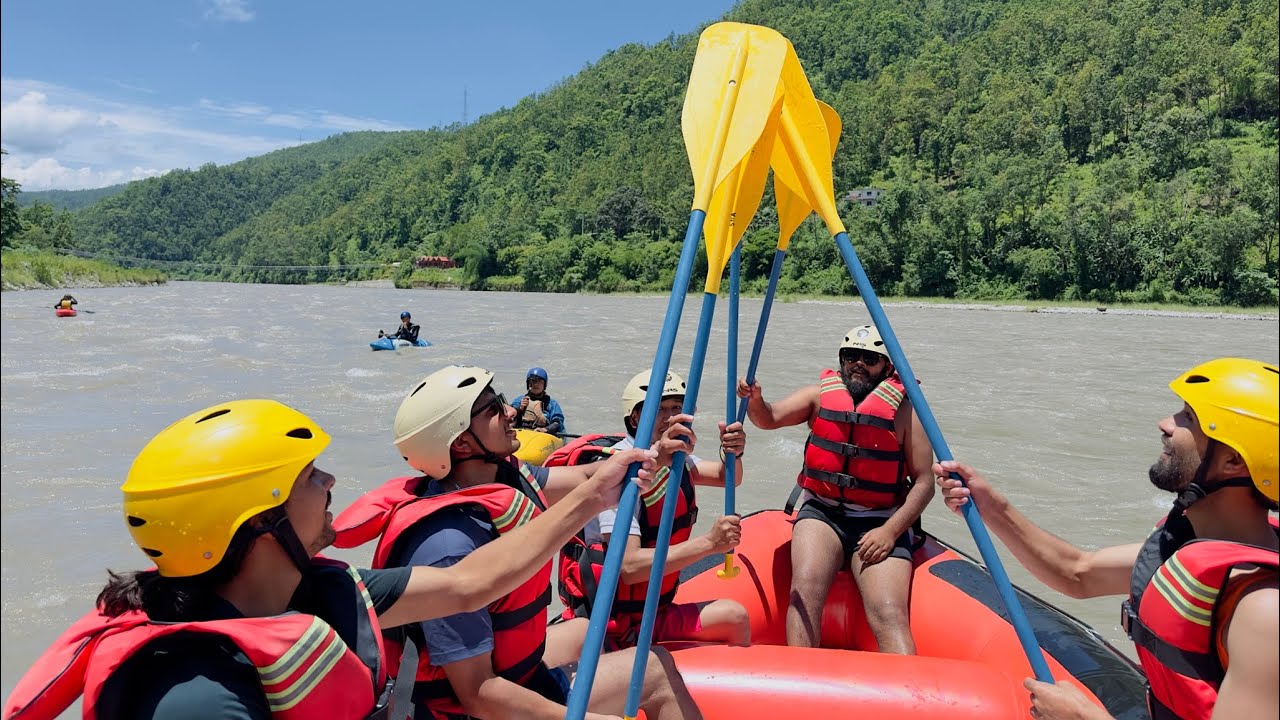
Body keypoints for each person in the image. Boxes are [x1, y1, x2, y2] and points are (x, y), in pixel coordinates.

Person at [3, 398, 654, 720]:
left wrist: (594, 491)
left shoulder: (314, 588)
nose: (332, 484)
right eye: (312, 477)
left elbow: (469, 583)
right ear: (262, 523)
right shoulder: (196, 695)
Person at [334, 365, 703, 720]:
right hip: (473, 710)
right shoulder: (447, 546)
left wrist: (658, 454)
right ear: (462, 442)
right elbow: (478, 696)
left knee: (583, 629)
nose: (511, 410)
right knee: (655, 669)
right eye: (494, 408)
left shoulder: (504, 476)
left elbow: (592, 476)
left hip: (512, 667)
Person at [935, 357, 1278, 720]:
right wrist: (992, 506)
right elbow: (1077, 573)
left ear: (1233, 462)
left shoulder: (1262, 611)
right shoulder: (1187, 544)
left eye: (1187, 418)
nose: (1165, 424)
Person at [737, 324, 935, 654]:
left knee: (889, 613)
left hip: (881, 518)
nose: (858, 363)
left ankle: (907, 696)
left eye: (869, 358)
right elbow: (767, 418)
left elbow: (925, 482)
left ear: (887, 367)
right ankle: (800, 680)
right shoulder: (818, 397)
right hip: (823, 513)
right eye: (850, 356)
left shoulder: (906, 410)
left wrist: (890, 531)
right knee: (805, 590)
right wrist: (755, 399)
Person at [551, 369, 751, 648]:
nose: (671, 417)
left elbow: (728, 477)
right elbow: (629, 567)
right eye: (660, 409)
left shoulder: (676, 461)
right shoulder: (621, 471)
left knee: (735, 617)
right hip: (610, 626)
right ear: (635, 417)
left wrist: (733, 452)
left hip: (653, 613)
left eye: (677, 408)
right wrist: (709, 544)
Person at [511, 367, 566, 435]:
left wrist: (545, 429)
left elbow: (557, 422)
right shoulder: (520, 400)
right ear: (528, 384)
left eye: (539, 381)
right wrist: (520, 408)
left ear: (544, 385)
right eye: (532, 381)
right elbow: (508, 416)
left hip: (542, 435)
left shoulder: (551, 404)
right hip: (521, 433)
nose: (536, 384)